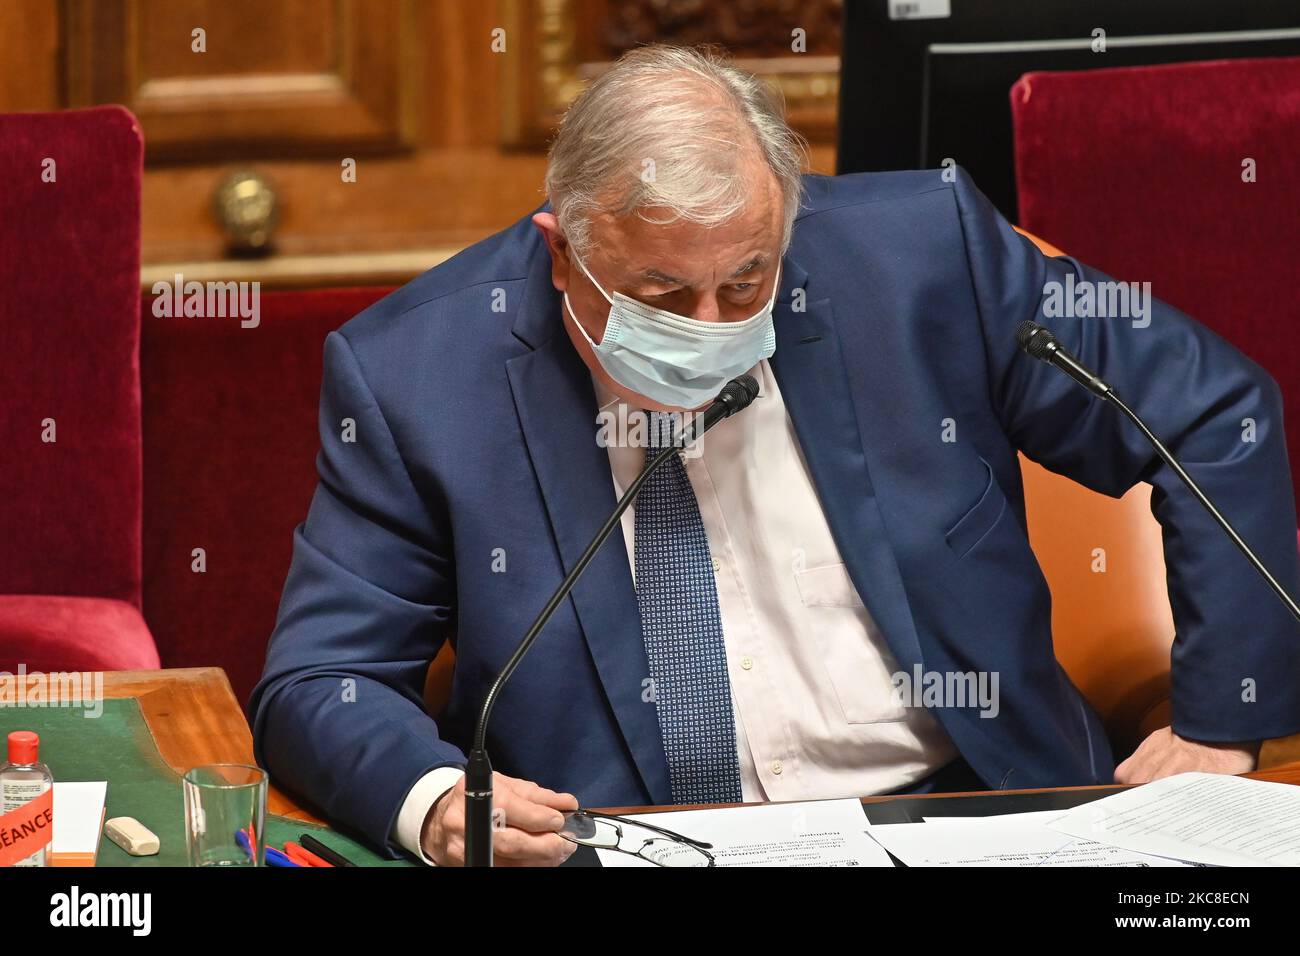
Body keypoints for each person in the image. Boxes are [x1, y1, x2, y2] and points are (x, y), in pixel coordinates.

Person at [249, 45, 1300, 866]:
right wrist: (433, 800)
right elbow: (323, 677)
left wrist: (1220, 721)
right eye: (662, 295)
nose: (709, 323)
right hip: (633, 841)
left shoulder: (923, 259)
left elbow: (1213, 416)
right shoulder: (419, 374)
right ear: (561, 247)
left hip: (971, 813)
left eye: (745, 280)